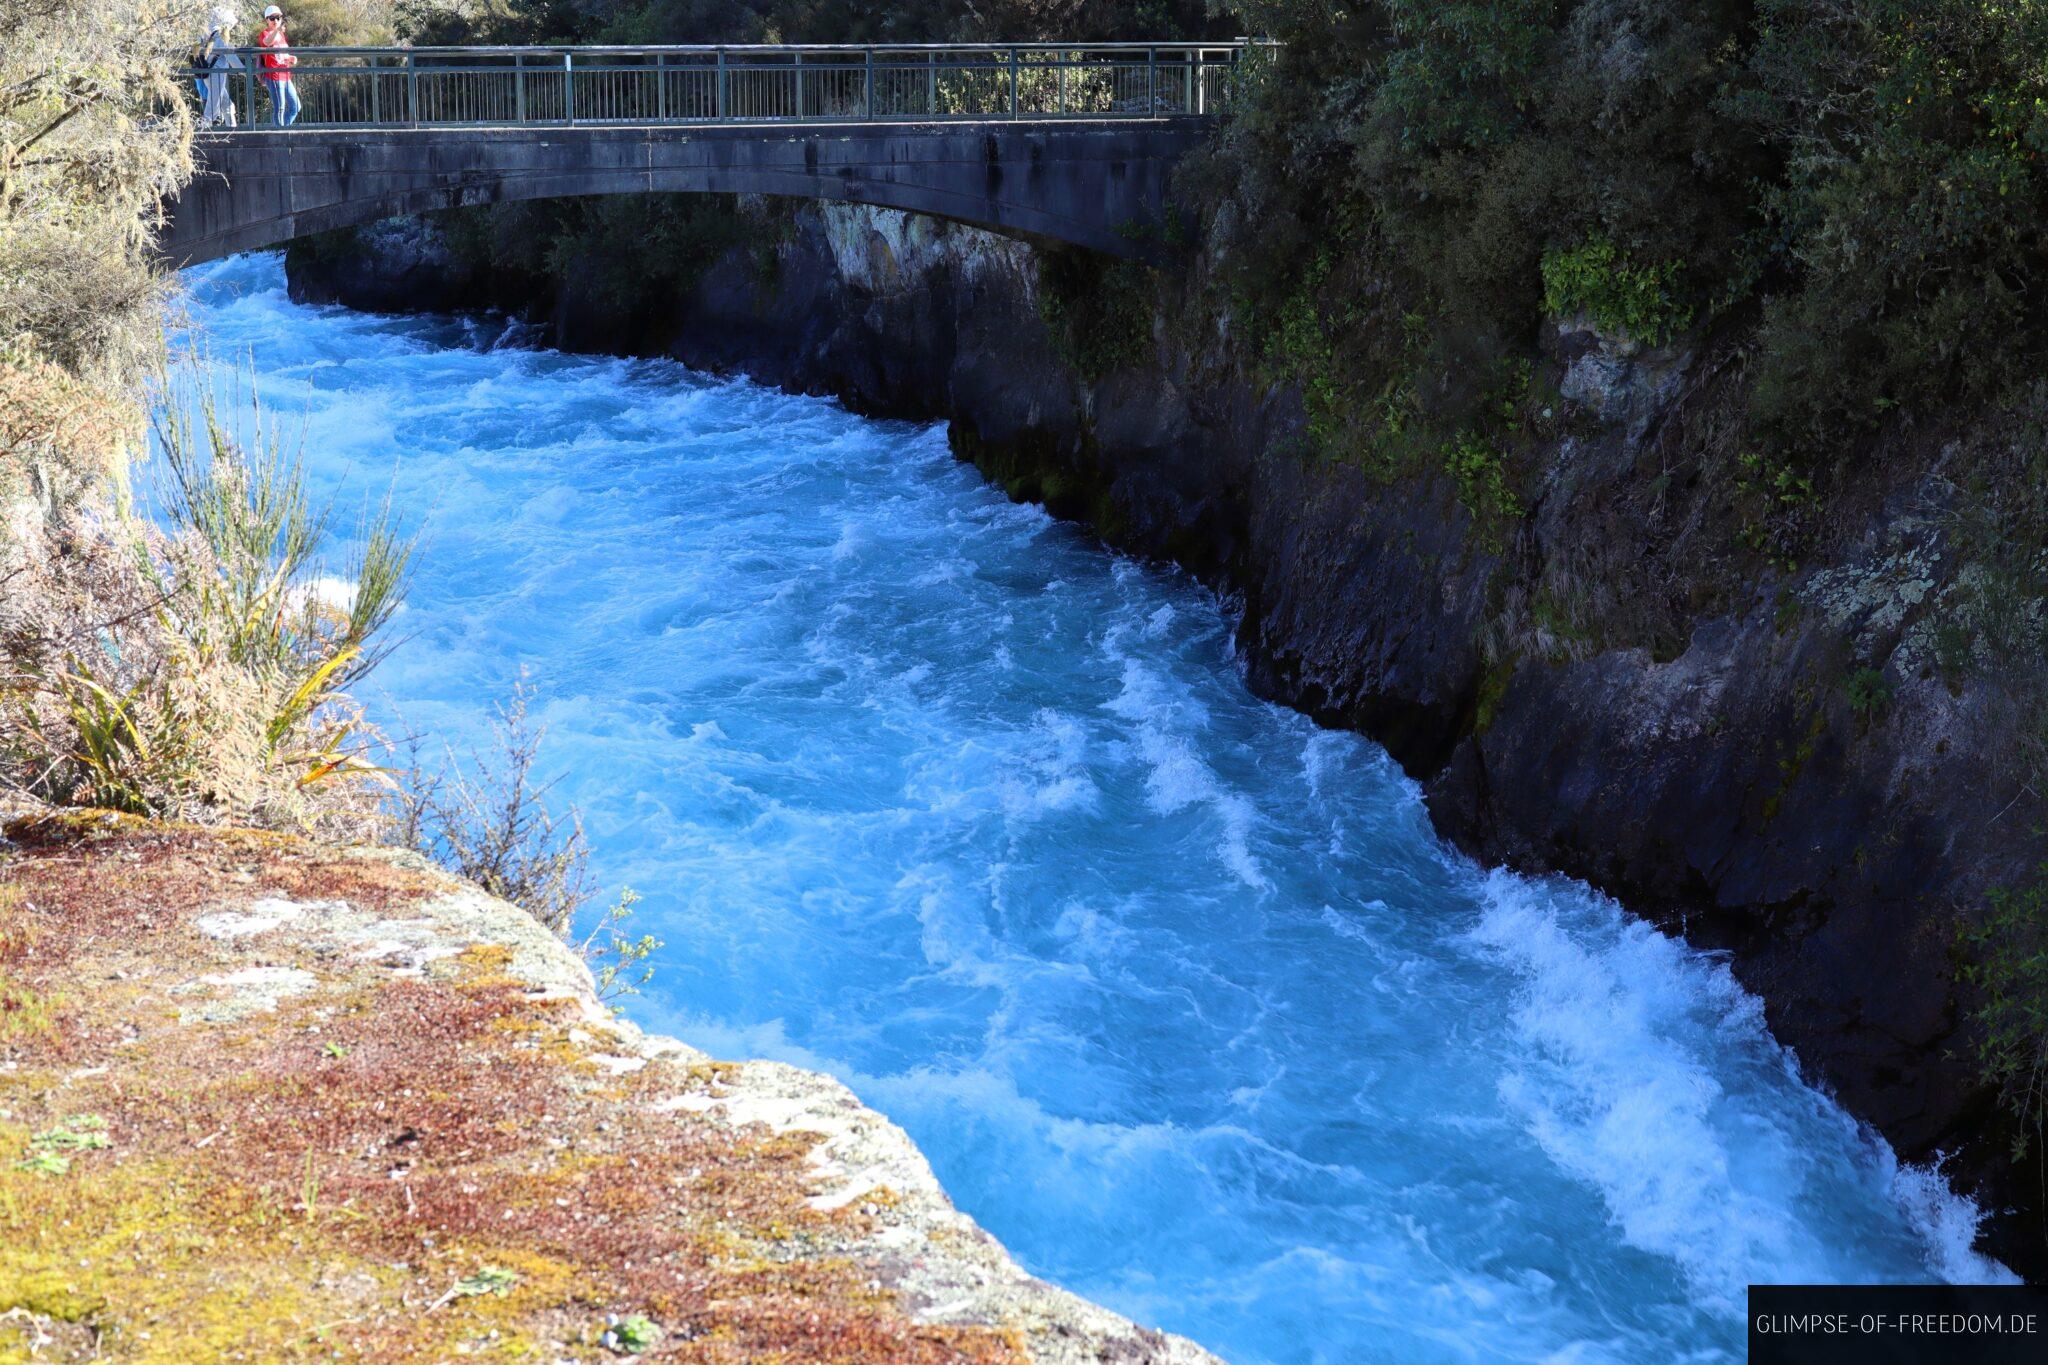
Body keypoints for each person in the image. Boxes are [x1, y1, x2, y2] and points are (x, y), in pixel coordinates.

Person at [256, 5, 300, 127]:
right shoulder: (265, 33)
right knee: (279, 108)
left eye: (278, 17)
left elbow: (282, 53)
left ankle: (283, 132)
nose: (275, 20)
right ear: (267, 20)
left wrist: (291, 58)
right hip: (273, 76)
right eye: (272, 18)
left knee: (295, 106)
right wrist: (277, 30)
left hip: (285, 75)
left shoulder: (281, 35)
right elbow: (267, 42)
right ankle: (279, 137)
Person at [199, 8, 243, 129]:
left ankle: (232, 128)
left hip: (207, 73)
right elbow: (230, 55)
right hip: (217, 74)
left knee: (225, 102)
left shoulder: (206, 34)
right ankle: (203, 131)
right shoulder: (220, 35)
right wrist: (244, 70)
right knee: (213, 104)